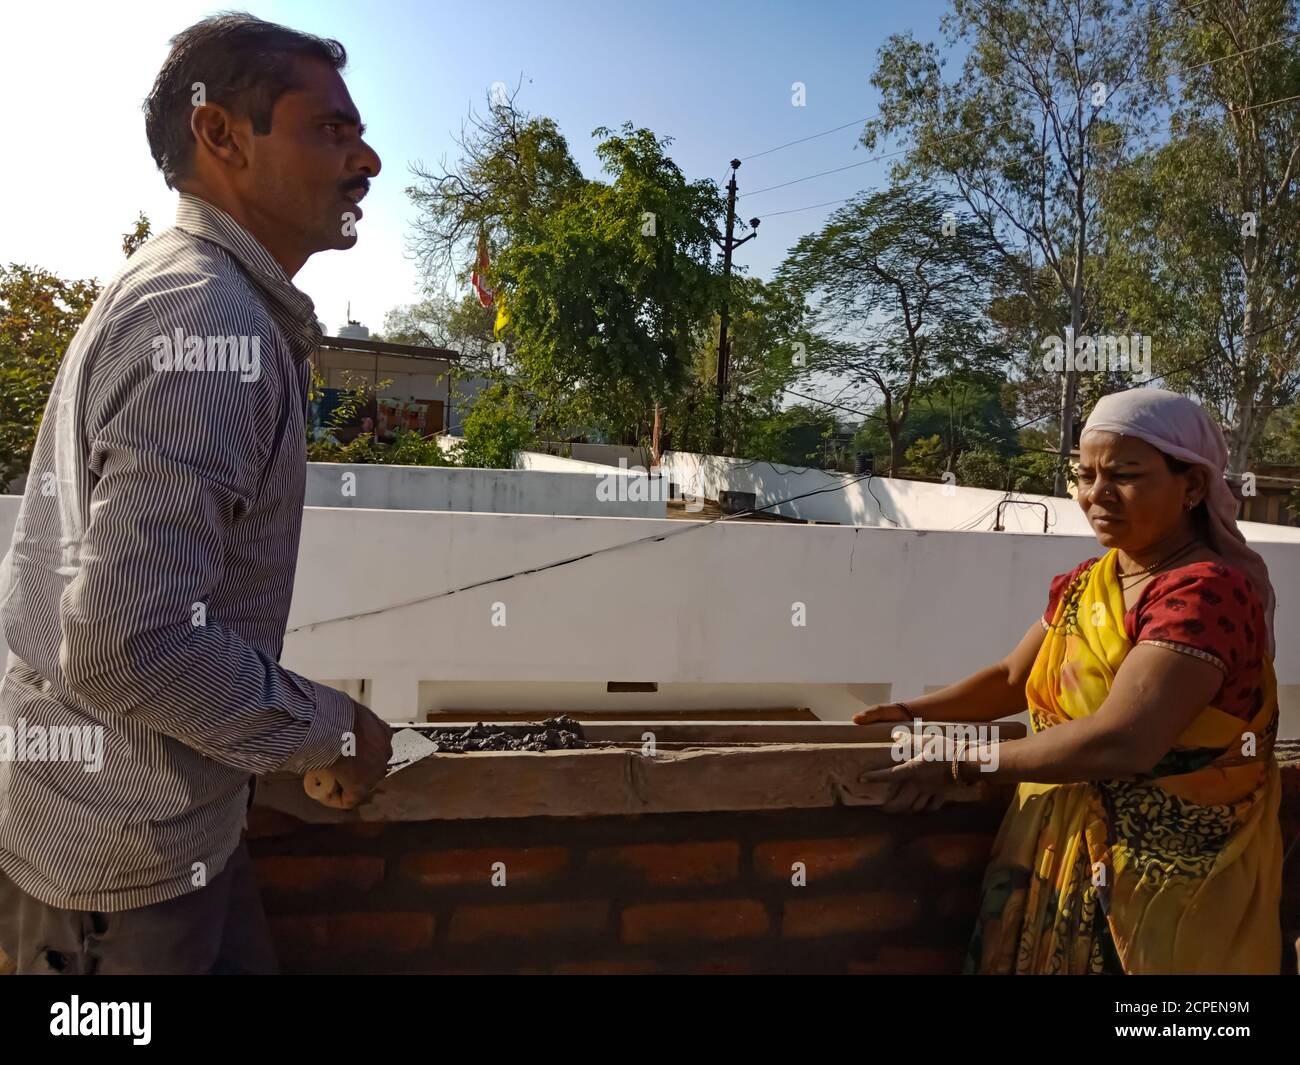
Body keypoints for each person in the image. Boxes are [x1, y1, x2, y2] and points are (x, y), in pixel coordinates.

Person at [0, 14, 391, 974]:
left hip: (167, 845)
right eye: (330, 130)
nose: (367, 158)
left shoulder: (198, 294)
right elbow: (129, 642)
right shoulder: (205, 319)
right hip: (113, 888)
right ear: (219, 134)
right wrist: (329, 730)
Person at [858, 388, 1282, 975]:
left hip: (1163, 883)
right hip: (1058, 855)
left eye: (1125, 475)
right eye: (1084, 476)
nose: (1097, 495)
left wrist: (962, 761)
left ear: (1192, 487)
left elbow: (1123, 741)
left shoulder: (1204, 593)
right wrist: (910, 715)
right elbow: (1011, 678)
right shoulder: (1086, 583)